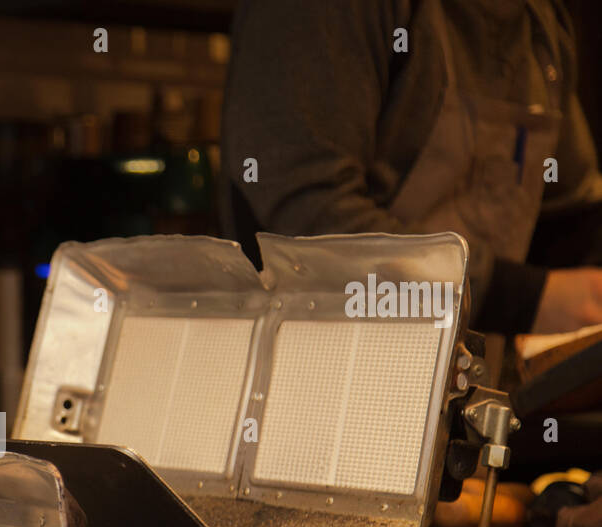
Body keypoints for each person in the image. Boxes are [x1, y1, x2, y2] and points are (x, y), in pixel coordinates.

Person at [221, 0, 602, 336]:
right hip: (317, 372)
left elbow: (567, 212)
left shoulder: (539, 21)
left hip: (467, 389)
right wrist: (524, 299)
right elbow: (306, 229)